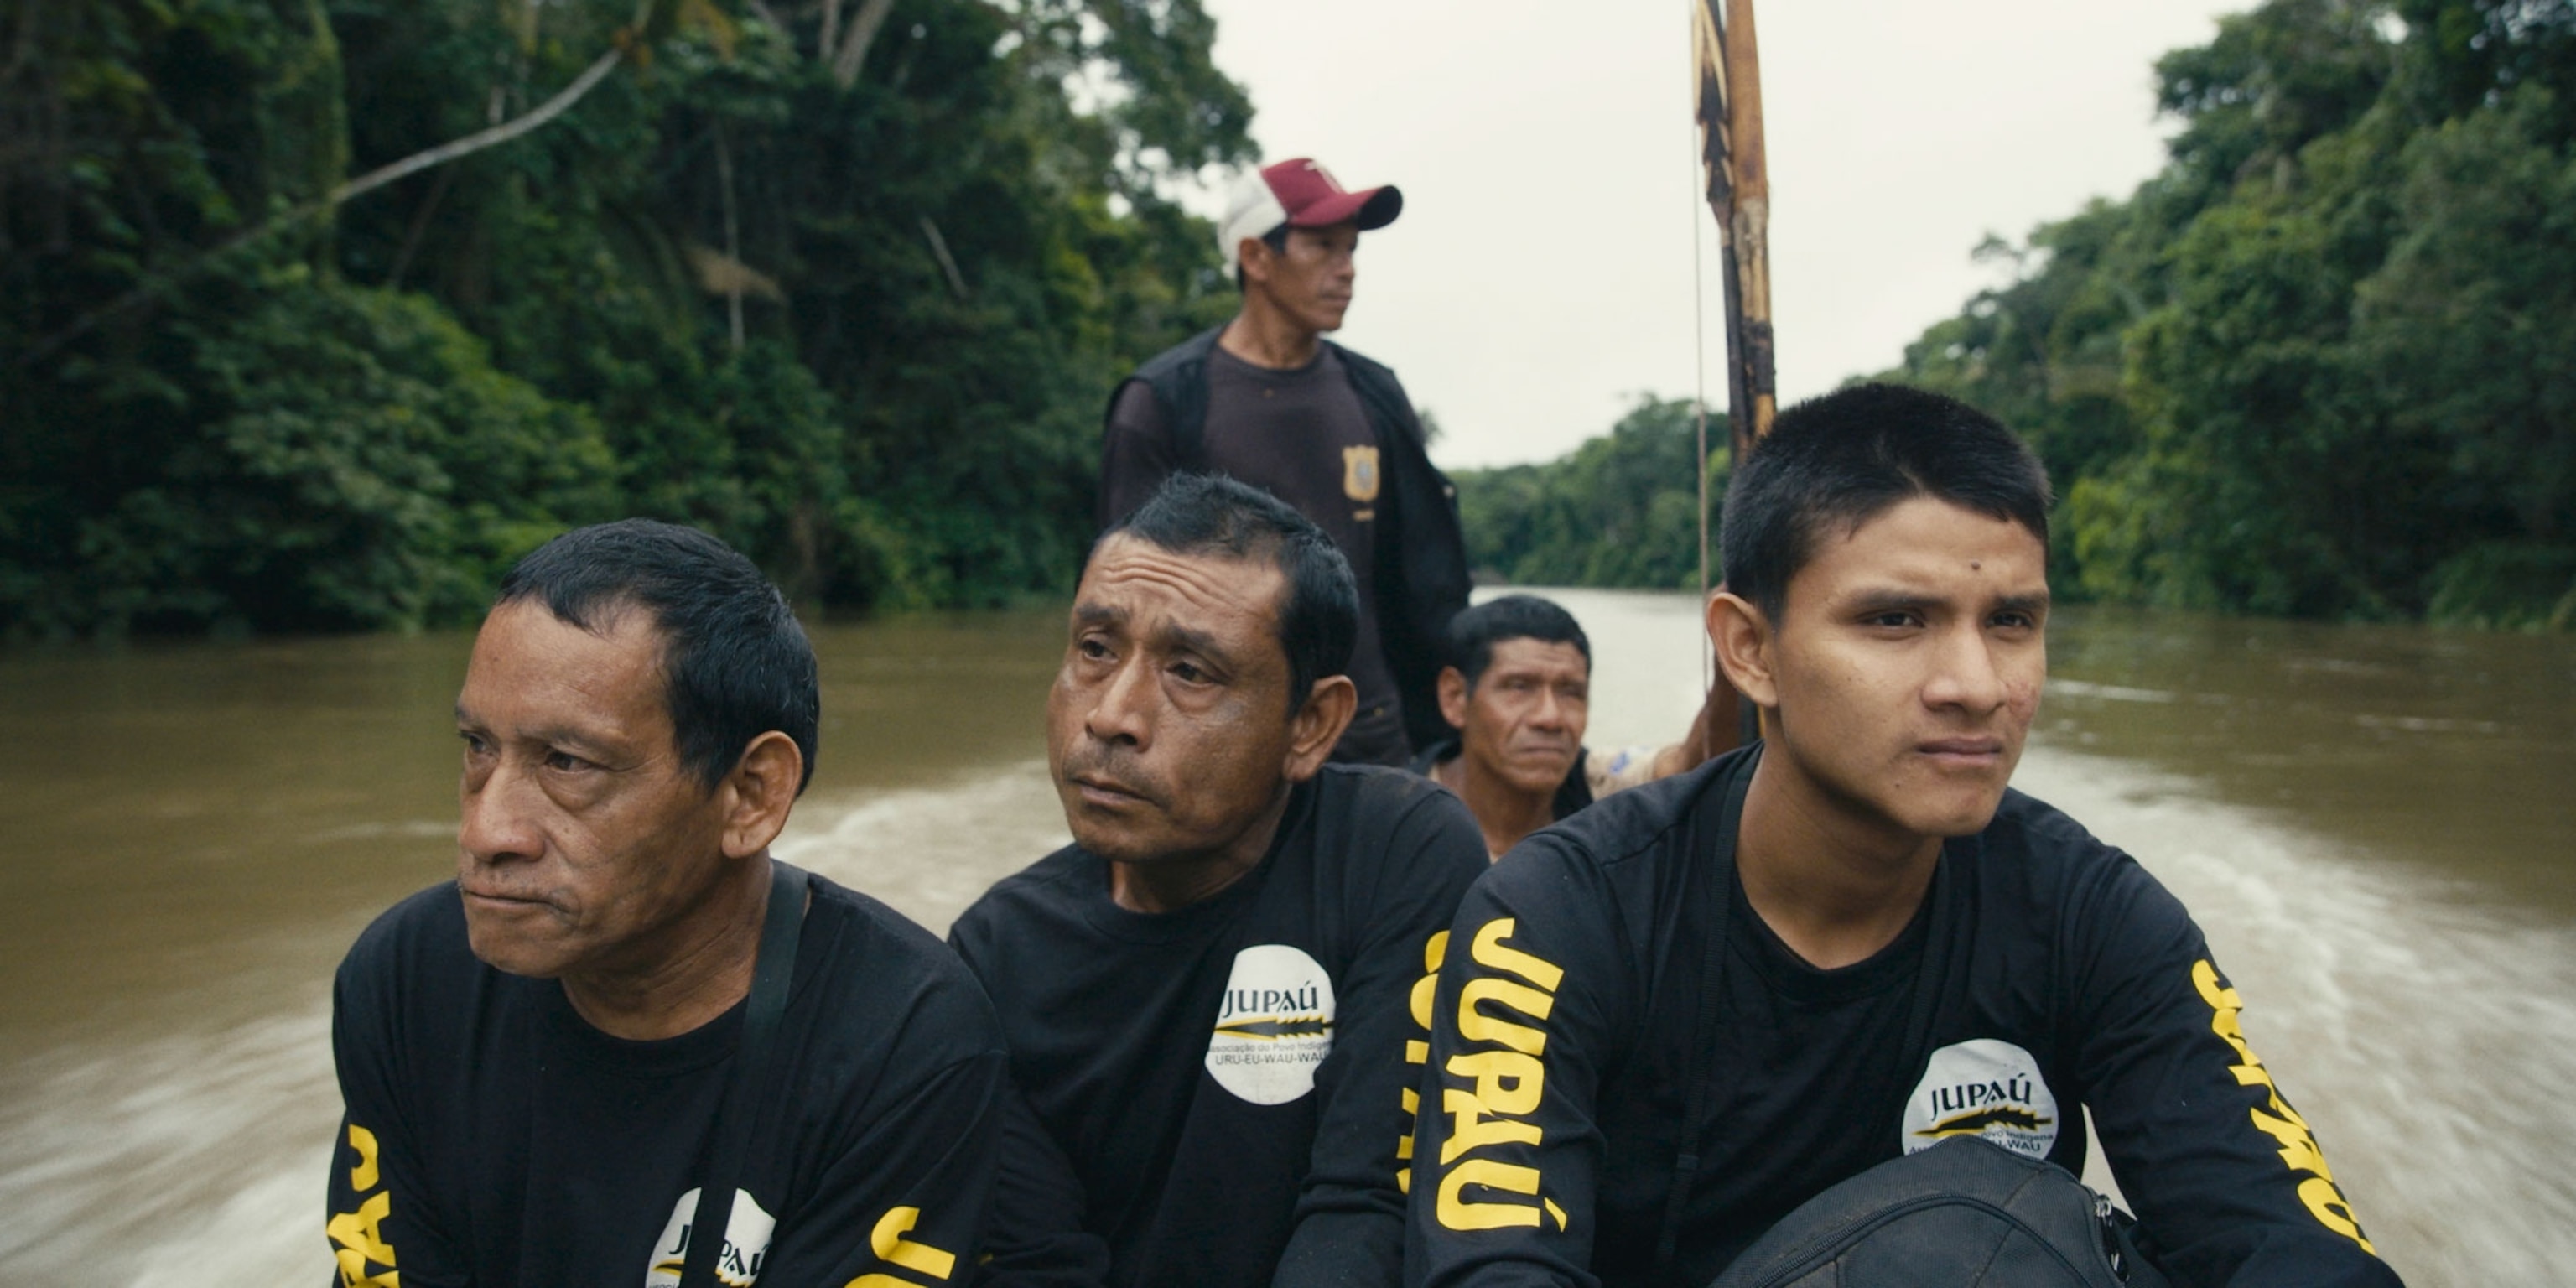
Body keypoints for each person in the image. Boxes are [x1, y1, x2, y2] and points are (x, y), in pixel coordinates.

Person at [1405, 385, 2402, 1287]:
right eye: (1895, 620)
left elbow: (2278, 1235)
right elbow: (1492, 1265)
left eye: (2012, 620)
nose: (1976, 685)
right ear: (1750, 649)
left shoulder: (2093, 914)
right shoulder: (1555, 916)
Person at [325, 519, 1006, 1286]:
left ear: (750, 795)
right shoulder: (408, 982)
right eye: (479, 748)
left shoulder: (904, 1047)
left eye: (566, 762)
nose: (486, 830)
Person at [951, 474, 1490, 1288]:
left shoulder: (1394, 851)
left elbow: (1365, 1202)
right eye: (1095, 650)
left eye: (1191, 673)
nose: (1112, 717)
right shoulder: (993, 958)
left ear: (1311, 727)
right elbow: (1037, 1265)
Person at [1098, 156, 1469, 767]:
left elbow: (1427, 576)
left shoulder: (1375, 393)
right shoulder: (1167, 401)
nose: (1346, 270)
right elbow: (1125, 600)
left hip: (1371, 729)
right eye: (1323, 247)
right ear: (1256, 258)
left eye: (1351, 250)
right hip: (1221, 740)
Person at [1413, 594, 1737, 858]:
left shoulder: (1598, 784)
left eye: (1571, 692)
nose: (1550, 718)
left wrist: (1733, 658)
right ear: (1455, 697)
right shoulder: (1398, 817)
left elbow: (1694, 766)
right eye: (1519, 687)